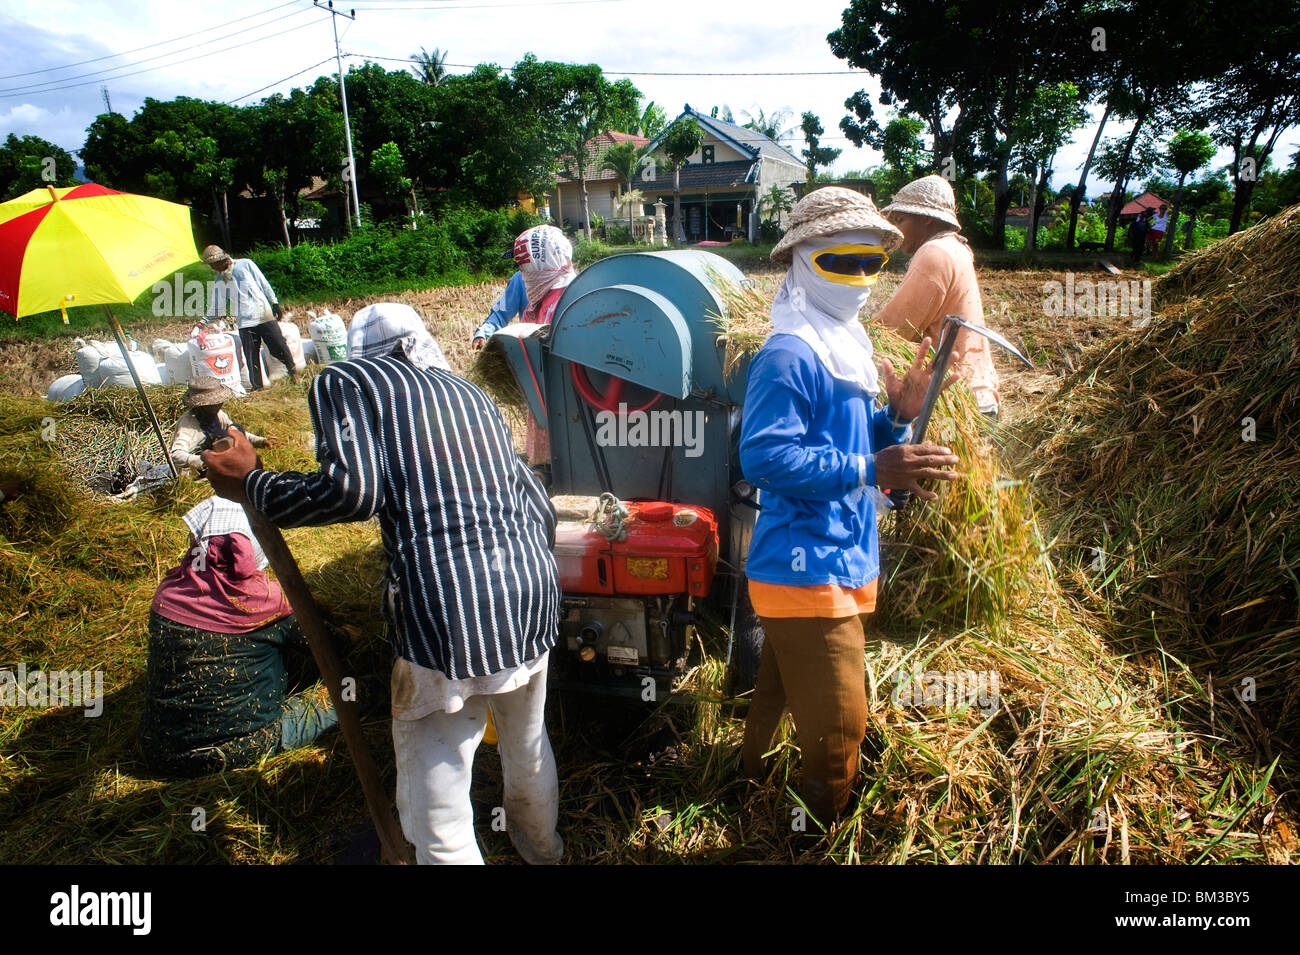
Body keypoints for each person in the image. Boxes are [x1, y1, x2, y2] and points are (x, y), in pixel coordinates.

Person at [202, 303, 564, 866]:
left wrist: (255, 482)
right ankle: (545, 853)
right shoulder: (472, 395)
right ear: (420, 343)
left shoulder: (346, 379)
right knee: (526, 742)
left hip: (448, 608)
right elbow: (539, 504)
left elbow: (353, 492)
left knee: (436, 783)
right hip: (530, 587)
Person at [739, 186, 961, 824]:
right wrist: (871, 466)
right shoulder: (790, 355)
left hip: (843, 555)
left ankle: (746, 790)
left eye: (871, 263)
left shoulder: (849, 345)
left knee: (778, 694)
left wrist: (898, 416)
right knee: (839, 731)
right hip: (805, 571)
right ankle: (817, 835)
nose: (861, 277)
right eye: (843, 262)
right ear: (803, 261)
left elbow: (862, 445)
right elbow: (764, 459)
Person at [137, 496, 338, 777]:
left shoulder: (168, 593)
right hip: (233, 750)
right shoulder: (262, 603)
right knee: (351, 696)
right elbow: (330, 647)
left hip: (159, 751)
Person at [875, 175, 1002, 418]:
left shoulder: (934, 253)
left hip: (955, 397)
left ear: (926, 219)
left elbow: (894, 327)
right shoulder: (957, 247)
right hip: (977, 392)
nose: (897, 229)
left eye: (900, 220)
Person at [201, 244, 297, 391]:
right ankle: (258, 388)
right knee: (251, 356)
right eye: (211, 266)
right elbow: (217, 306)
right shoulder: (220, 281)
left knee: (277, 346)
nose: (213, 268)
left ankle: (293, 372)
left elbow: (263, 282)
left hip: (263, 315)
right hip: (245, 322)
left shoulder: (245, 264)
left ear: (223, 260)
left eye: (214, 264)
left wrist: (274, 302)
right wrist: (202, 322)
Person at [470, 225, 576, 350]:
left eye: (524, 265)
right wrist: (483, 333)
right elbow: (501, 313)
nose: (523, 271)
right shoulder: (519, 280)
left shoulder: (575, 288)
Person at [170, 377, 271, 479]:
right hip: (200, 476)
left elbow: (237, 433)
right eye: (214, 403)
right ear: (202, 404)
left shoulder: (218, 414)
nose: (219, 404)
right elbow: (176, 454)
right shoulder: (188, 424)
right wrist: (204, 460)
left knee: (234, 428)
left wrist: (261, 441)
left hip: (223, 468)